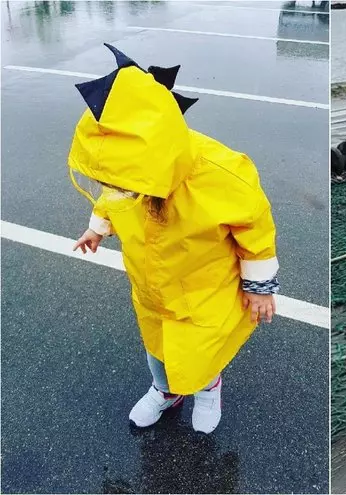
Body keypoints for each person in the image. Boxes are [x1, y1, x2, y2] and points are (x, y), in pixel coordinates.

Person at [71, 44, 279, 434]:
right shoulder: (127, 173)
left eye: (122, 183)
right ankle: (164, 390)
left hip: (203, 289)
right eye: (109, 182)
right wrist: (97, 228)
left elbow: (256, 227)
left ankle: (207, 388)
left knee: (199, 351)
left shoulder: (219, 174)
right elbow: (113, 194)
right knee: (157, 347)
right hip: (151, 286)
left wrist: (259, 286)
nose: (115, 189)